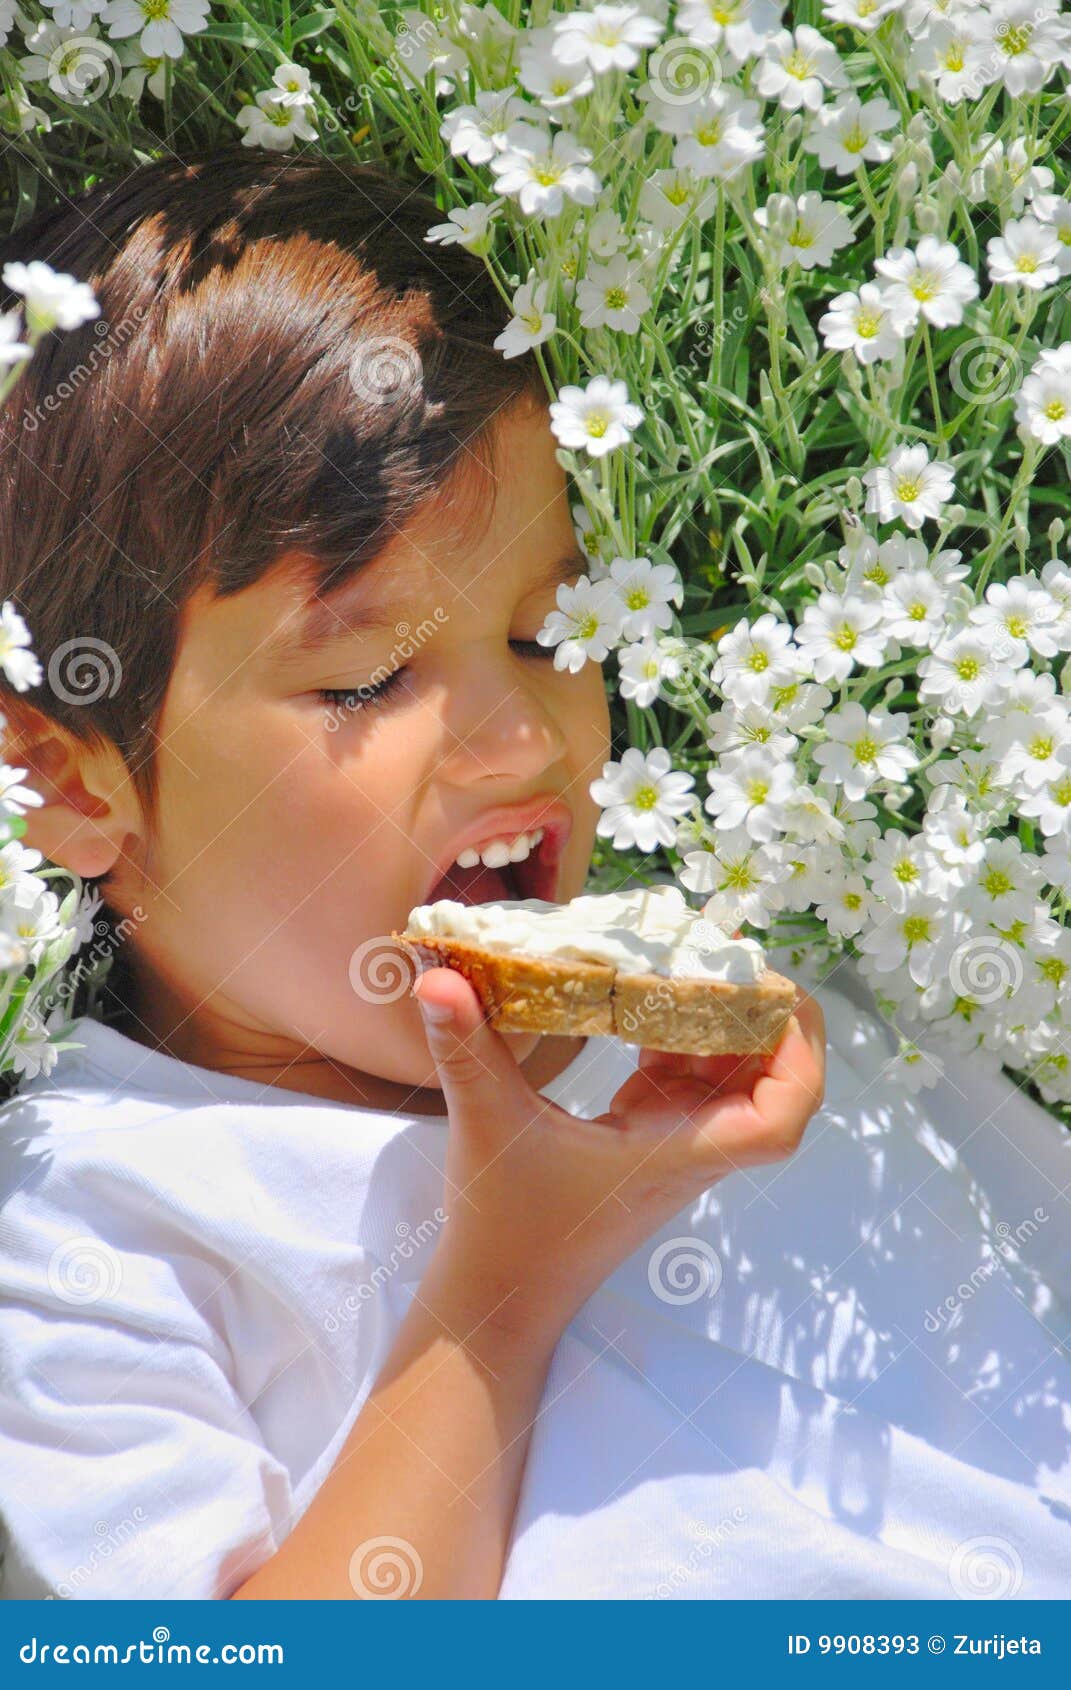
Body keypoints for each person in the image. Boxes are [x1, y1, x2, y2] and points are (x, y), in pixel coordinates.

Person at [0, 151, 1065, 1603]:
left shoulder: (781, 1041)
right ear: (69, 783)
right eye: (368, 678)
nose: (523, 738)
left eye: (547, 633)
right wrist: (500, 1294)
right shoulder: (90, 1222)